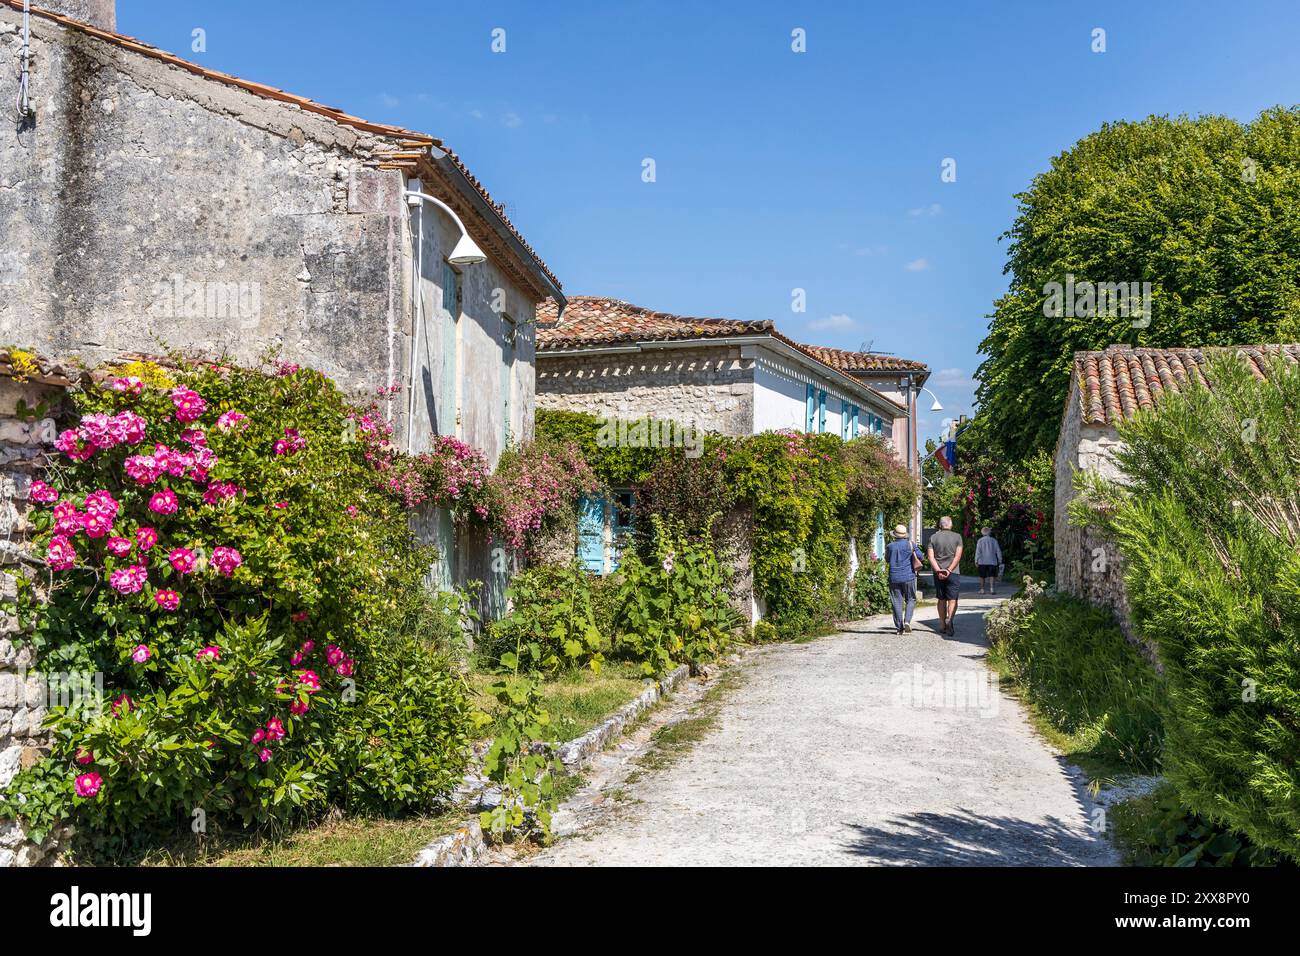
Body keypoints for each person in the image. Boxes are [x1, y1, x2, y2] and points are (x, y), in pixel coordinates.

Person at [884, 524, 925, 635]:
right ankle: (907, 621)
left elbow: (887, 559)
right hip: (909, 576)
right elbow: (921, 557)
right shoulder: (910, 544)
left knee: (896, 602)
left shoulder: (890, 546)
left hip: (894, 577)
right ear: (905, 535)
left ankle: (899, 628)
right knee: (911, 599)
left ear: (895, 535)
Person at [927, 516, 964, 637]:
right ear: (950, 525)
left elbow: (930, 557)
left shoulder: (933, 537)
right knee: (952, 599)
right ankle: (950, 619)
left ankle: (942, 624)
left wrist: (938, 571)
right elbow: (957, 556)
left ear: (940, 525)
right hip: (953, 572)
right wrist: (949, 570)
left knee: (941, 599)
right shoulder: (957, 537)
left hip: (938, 574)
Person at [975, 527, 1003, 594]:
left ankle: (982, 590)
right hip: (992, 561)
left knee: (982, 576)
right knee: (992, 576)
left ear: (982, 532)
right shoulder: (994, 540)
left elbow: (978, 552)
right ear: (989, 532)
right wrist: (1000, 559)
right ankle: (992, 589)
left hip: (982, 561)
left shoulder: (980, 540)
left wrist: (976, 560)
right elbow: (998, 551)